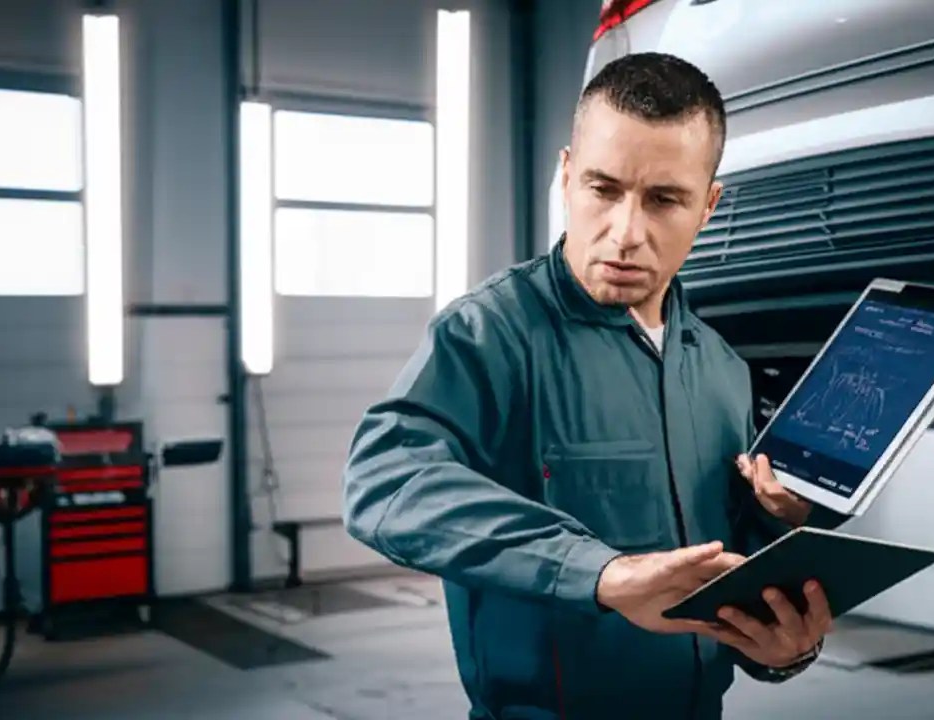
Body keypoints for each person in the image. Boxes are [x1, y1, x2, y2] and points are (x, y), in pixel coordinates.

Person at [342, 51, 847, 720]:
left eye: (664, 199)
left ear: (709, 205)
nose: (625, 233)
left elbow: (731, 577)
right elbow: (385, 481)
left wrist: (784, 644)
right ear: (566, 176)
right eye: (602, 189)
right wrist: (602, 575)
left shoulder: (722, 367)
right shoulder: (491, 334)